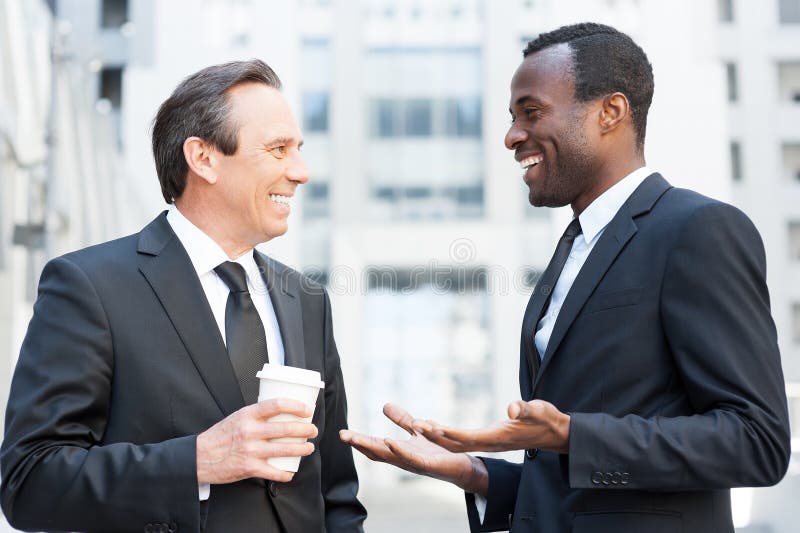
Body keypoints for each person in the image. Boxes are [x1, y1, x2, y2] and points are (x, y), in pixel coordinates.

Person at [340, 22, 790, 533]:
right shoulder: (572, 250)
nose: (511, 136)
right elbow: (577, 486)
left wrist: (573, 435)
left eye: (531, 113)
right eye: (512, 118)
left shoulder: (696, 230)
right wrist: (473, 473)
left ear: (610, 112)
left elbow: (757, 442)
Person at [1, 60, 366, 532]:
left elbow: (336, 494)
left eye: (297, 149)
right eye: (278, 150)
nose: (301, 172)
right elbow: (30, 482)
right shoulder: (90, 287)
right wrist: (195, 461)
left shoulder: (306, 299)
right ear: (204, 158)